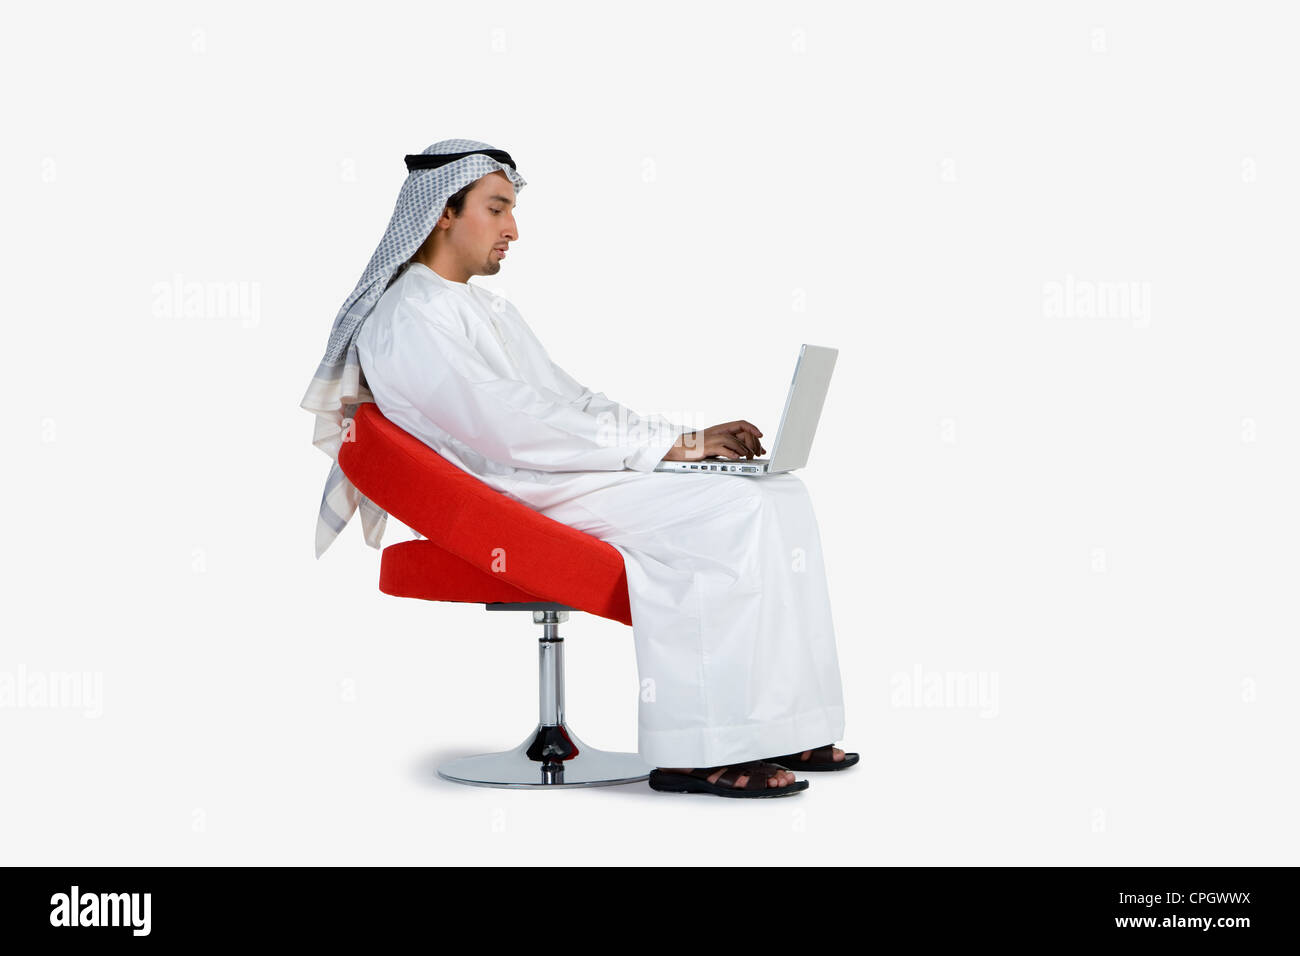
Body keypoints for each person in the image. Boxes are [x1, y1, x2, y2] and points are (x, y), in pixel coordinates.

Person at [301, 140, 855, 797]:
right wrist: (671, 450)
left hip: (558, 472)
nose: (513, 228)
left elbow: (570, 401)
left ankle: (784, 723)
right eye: (497, 208)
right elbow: (512, 424)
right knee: (729, 514)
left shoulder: (480, 308)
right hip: (518, 493)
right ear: (442, 212)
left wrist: (678, 439)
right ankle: (701, 751)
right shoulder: (411, 316)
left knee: (779, 496)